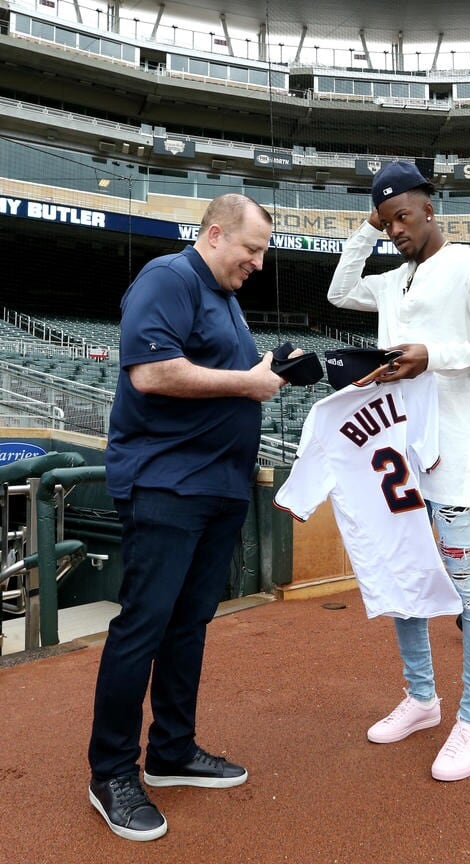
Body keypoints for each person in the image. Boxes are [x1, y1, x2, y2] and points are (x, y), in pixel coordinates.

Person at [88, 194, 289, 841]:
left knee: (188, 625)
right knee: (144, 626)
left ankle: (173, 748)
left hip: (218, 487)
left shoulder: (225, 300)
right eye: (251, 249)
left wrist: (264, 375)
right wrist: (249, 384)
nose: (258, 263)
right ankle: (112, 771)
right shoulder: (170, 277)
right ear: (213, 235)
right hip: (165, 482)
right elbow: (151, 373)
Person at [327, 160, 470, 782]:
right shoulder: (390, 279)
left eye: (402, 216)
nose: (396, 231)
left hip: (456, 455)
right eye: (386, 223)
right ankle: (422, 698)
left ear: (431, 207)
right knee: (406, 576)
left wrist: (432, 356)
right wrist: (366, 226)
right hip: (398, 457)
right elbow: (337, 290)